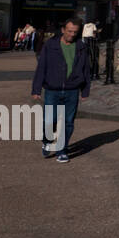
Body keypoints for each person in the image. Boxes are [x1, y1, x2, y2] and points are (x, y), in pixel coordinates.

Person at [31, 16, 91, 162]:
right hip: (52, 89)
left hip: (72, 90)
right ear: (63, 29)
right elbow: (42, 67)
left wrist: (85, 90)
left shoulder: (81, 47)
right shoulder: (50, 45)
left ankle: (61, 150)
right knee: (49, 121)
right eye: (69, 31)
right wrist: (36, 89)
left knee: (68, 122)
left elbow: (86, 69)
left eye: (75, 32)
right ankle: (47, 142)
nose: (72, 34)